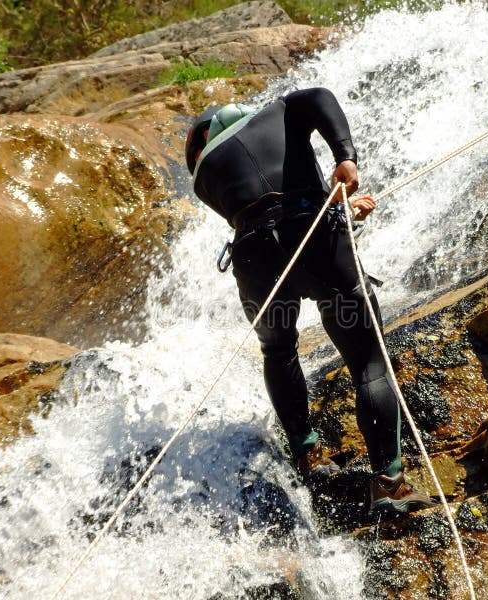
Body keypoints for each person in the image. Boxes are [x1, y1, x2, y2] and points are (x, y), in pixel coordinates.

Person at [185, 87, 436, 515]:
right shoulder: (280, 110)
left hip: (256, 261)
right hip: (315, 242)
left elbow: (263, 202)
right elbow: (319, 98)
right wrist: (346, 156)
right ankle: (389, 484)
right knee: (368, 359)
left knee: (278, 350)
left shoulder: (204, 177)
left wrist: (336, 207)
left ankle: (308, 455)